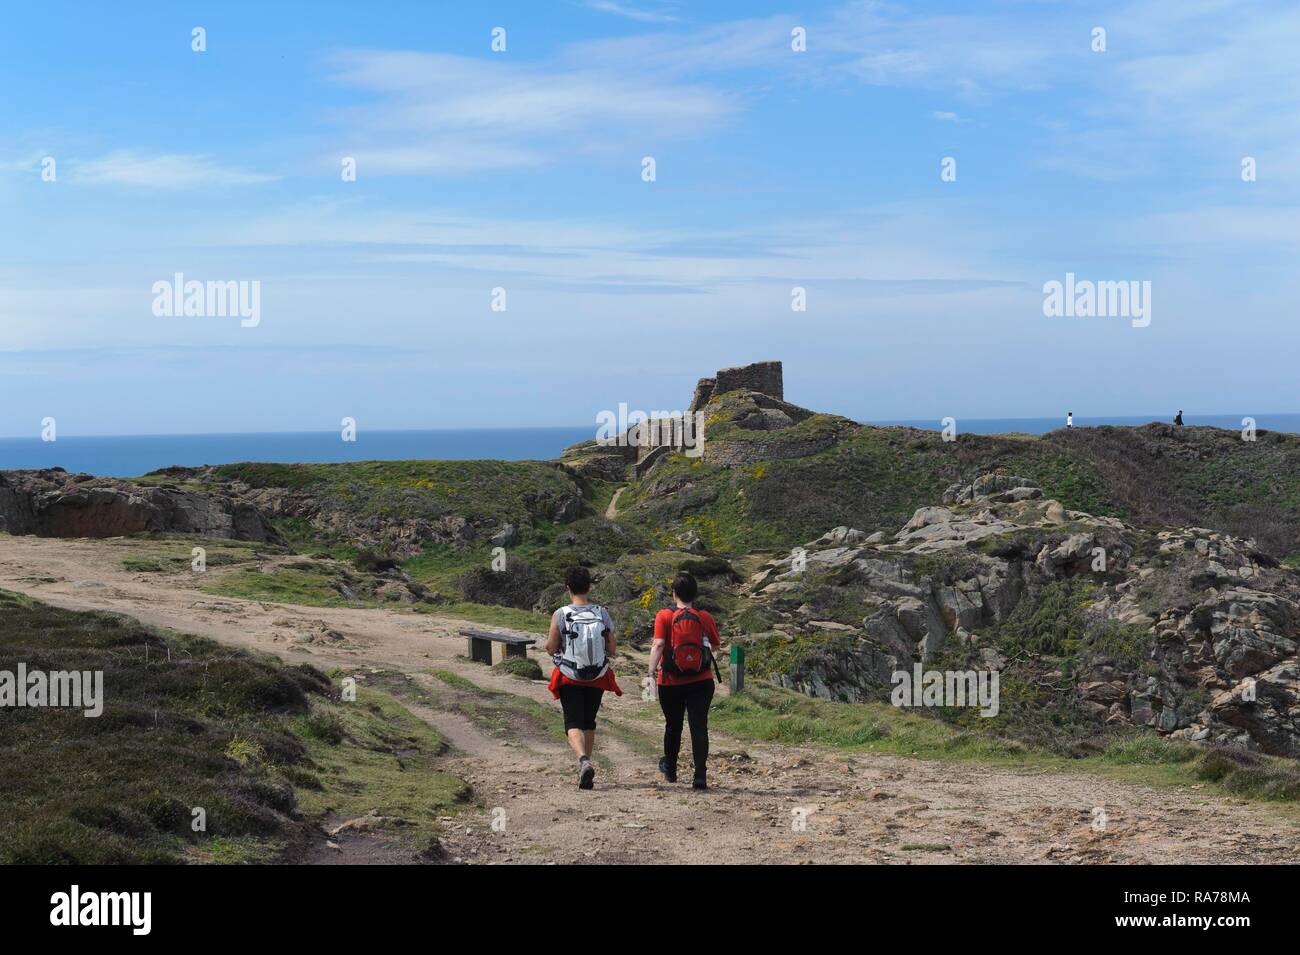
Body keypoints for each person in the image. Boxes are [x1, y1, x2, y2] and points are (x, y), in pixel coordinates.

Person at [546, 566, 621, 789]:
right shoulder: (601, 613)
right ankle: (586, 766)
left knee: (572, 721)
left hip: (570, 676)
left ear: (567, 587)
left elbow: (551, 647)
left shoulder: (561, 614)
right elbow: (613, 647)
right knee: (589, 721)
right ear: (589, 587)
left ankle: (583, 761)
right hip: (597, 675)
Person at [648, 571, 721, 790]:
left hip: (670, 681)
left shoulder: (664, 616)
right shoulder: (704, 616)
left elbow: (659, 644)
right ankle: (700, 776)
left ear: (674, 594)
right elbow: (715, 645)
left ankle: (670, 768)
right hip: (701, 681)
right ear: (695, 594)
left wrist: (650, 672)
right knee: (699, 726)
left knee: (673, 725)